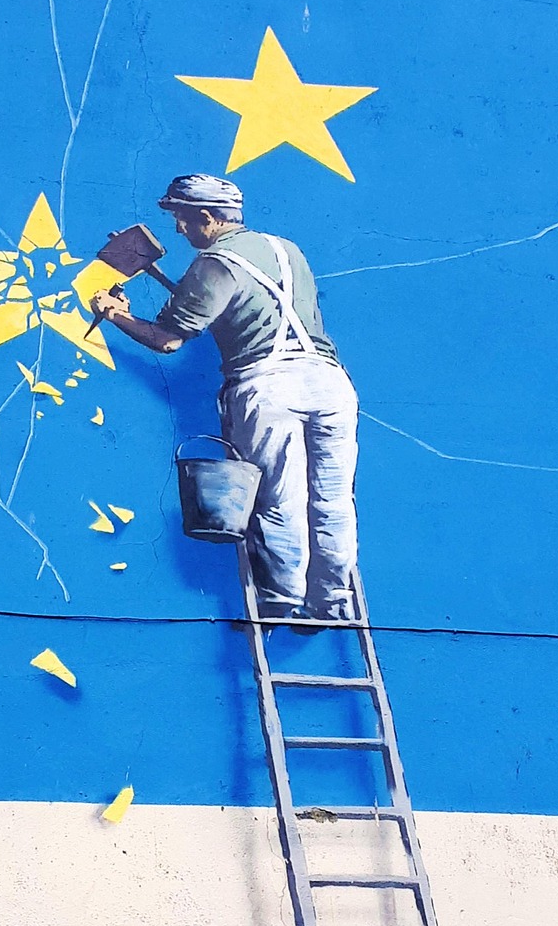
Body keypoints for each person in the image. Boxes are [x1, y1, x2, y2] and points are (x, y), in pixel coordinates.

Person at [89, 173, 359, 622]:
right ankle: (332, 600)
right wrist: (167, 286)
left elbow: (169, 340)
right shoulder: (286, 249)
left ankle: (284, 597)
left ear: (207, 217)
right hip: (329, 383)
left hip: (268, 386)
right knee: (331, 500)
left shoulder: (213, 263)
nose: (179, 228)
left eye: (181, 217)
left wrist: (115, 314)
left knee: (279, 496)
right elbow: (243, 310)